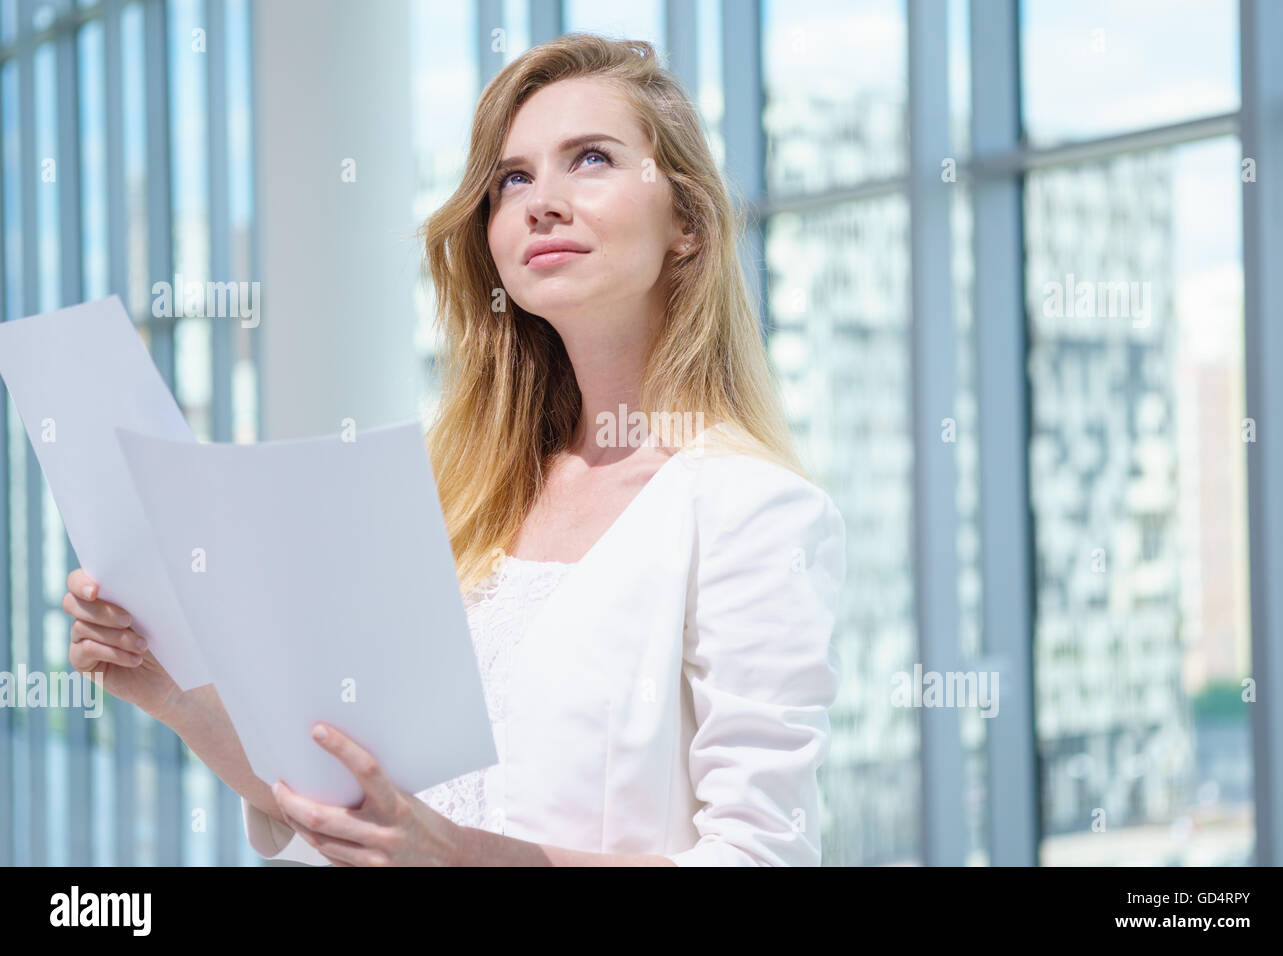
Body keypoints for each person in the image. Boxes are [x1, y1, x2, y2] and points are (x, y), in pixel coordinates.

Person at [62, 32, 846, 866]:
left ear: (685, 222)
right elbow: (351, 806)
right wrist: (178, 693)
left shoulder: (750, 512)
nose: (542, 200)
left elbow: (763, 855)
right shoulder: (460, 498)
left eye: (590, 159)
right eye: (514, 178)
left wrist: (459, 855)